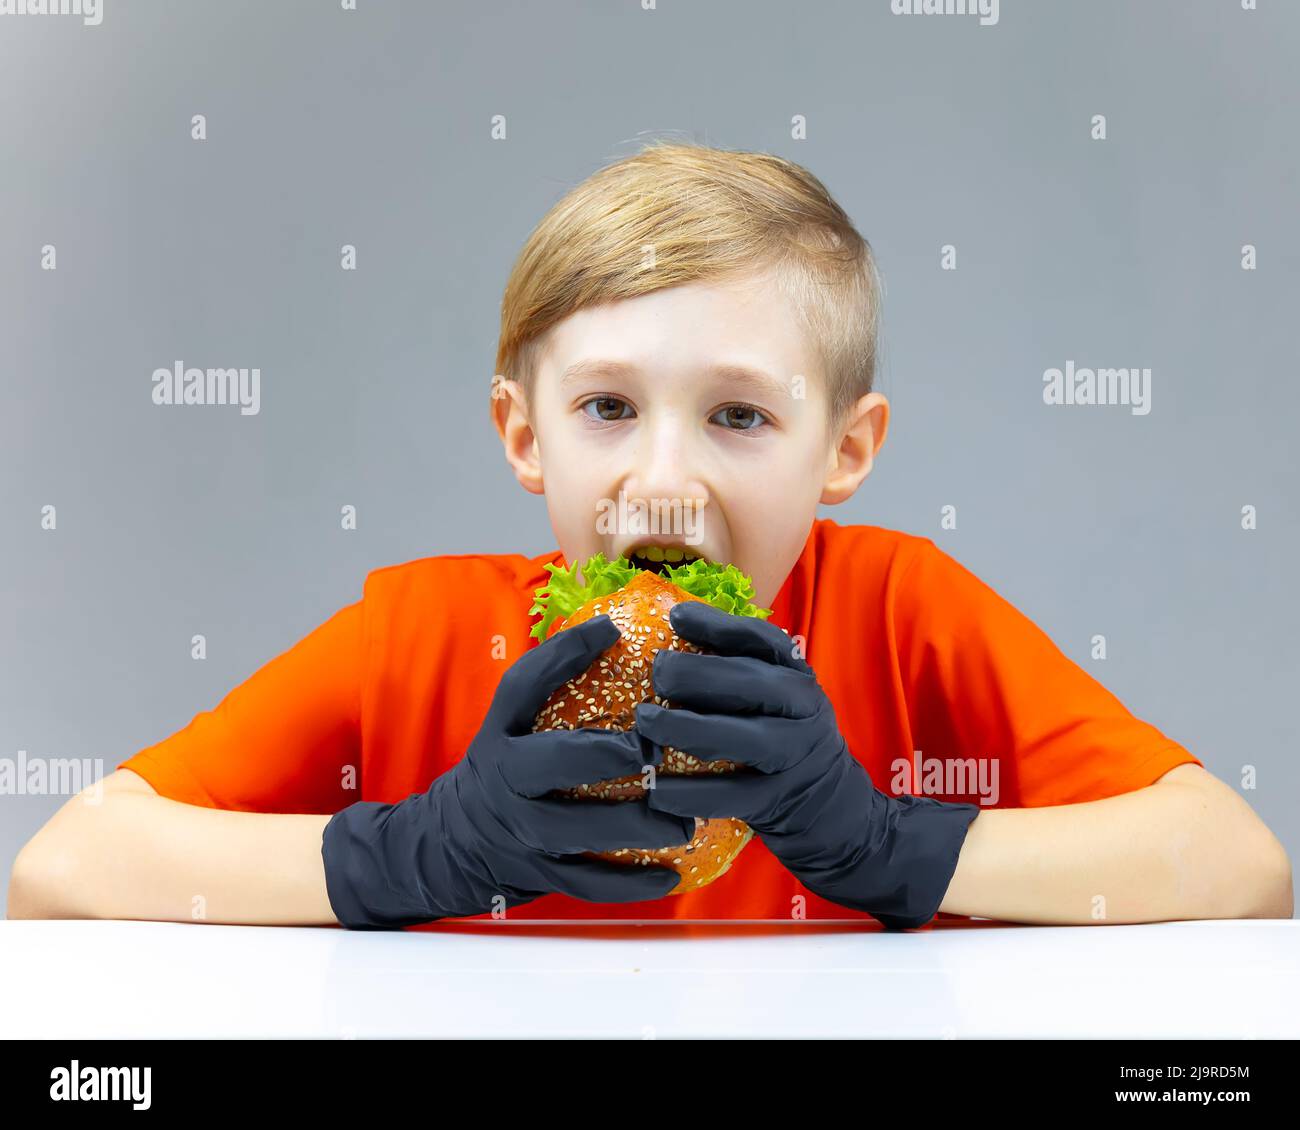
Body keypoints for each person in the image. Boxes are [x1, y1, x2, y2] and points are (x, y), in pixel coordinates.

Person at [10, 142, 1291, 929]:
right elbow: (62, 873)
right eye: (607, 407)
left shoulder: (906, 609)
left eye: (738, 413)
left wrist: (879, 840)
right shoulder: (417, 634)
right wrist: (419, 846)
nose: (662, 480)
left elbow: (1239, 870)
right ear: (524, 437)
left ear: (845, 449)